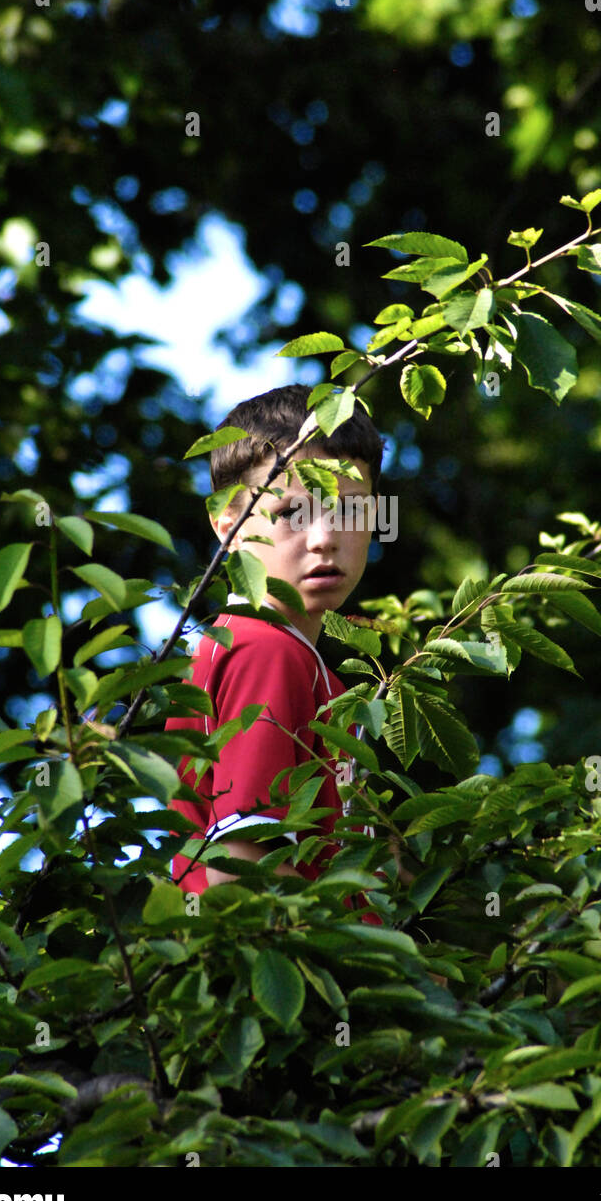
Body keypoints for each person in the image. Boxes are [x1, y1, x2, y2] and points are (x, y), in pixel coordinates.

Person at [165, 383, 387, 915]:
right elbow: (242, 869)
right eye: (292, 513)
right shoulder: (264, 650)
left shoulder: (277, 655)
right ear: (230, 528)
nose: (324, 538)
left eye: (349, 511)